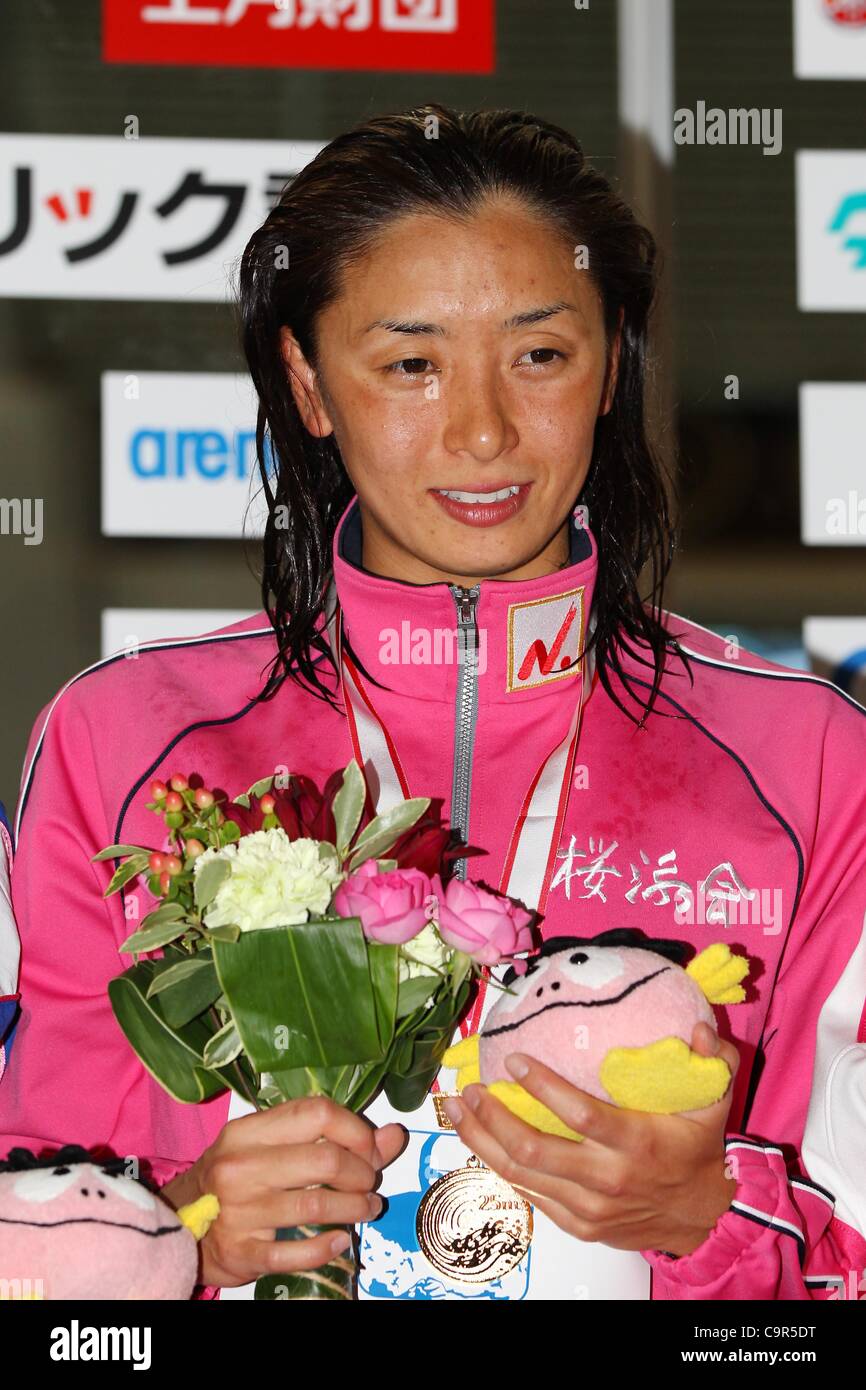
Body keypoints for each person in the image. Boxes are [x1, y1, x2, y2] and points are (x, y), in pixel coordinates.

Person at [2, 103, 865, 1302]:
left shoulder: (808, 756)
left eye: (540, 355)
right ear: (308, 384)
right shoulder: (127, 738)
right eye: (409, 362)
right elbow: (38, 1244)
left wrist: (705, 1216)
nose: (480, 429)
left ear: (611, 362)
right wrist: (182, 1235)